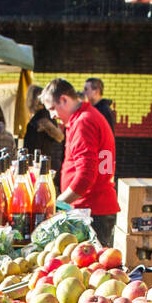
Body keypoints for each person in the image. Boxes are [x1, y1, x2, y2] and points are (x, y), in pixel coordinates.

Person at [41, 78, 118, 245]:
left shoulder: (84, 122)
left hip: (91, 210)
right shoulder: (84, 118)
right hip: (92, 208)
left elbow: (85, 176)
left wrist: (57, 205)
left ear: (64, 99)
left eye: (53, 109)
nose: (52, 115)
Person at [24, 83, 65, 187]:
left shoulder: (38, 120)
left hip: (40, 169)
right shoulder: (48, 116)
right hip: (53, 167)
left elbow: (31, 147)